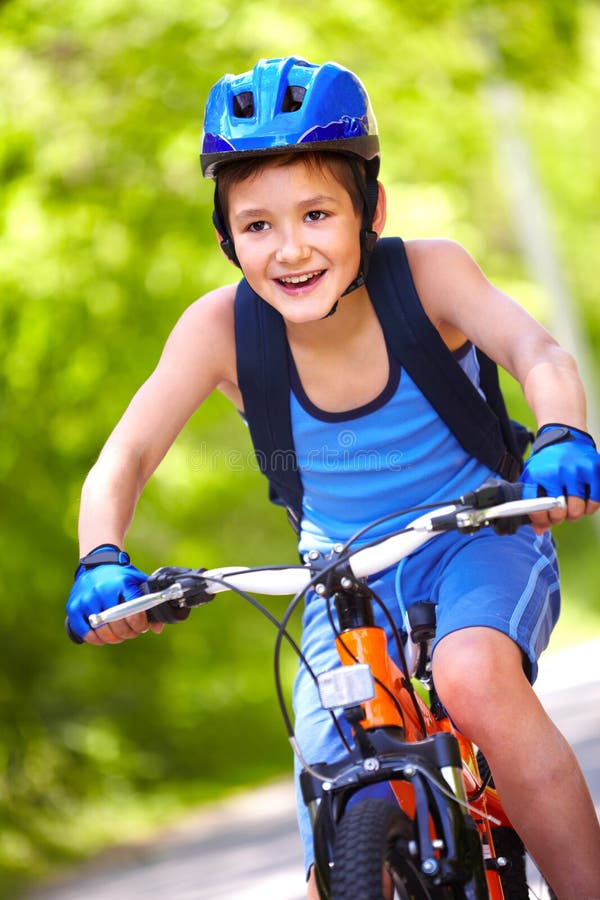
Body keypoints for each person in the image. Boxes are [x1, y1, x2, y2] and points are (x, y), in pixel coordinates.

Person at [67, 57, 600, 898]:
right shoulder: (220, 329)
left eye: (316, 213)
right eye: (257, 226)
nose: (290, 249)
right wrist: (101, 557)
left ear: (370, 212)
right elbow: (122, 459)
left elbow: (538, 352)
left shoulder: (429, 276)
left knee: (471, 676)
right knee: (330, 782)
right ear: (224, 238)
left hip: (478, 539)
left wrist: (563, 432)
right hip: (341, 575)